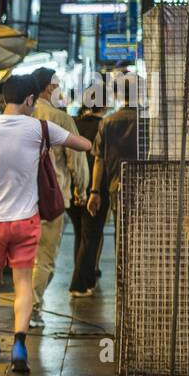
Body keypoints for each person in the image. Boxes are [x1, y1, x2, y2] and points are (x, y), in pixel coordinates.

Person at [0, 73, 91, 372]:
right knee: (23, 283)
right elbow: (84, 145)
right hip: (26, 220)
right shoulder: (41, 128)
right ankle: (20, 342)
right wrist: (46, 146)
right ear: (30, 100)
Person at [29, 67, 88, 327]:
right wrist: (82, 189)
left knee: (23, 258)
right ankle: (30, 308)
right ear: (49, 88)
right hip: (52, 198)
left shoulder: (23, 117)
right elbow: (78, 159)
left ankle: (25, 304)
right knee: (44, 258)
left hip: (21, 199)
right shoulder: (60, 119)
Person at [85, 90, 140, 284]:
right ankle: (139, 275)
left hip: (117, 187)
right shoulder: (147, 121)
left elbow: (99, 159)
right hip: (145, 187)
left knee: (121, 232)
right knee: (143, 233)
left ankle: (123, 277)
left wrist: (94, 191)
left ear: (118, 96)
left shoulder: (107, 122)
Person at [68, 99, 107, 297]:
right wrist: (95, 191)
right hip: (94, 189)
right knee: (90, 236)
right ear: (104, 105)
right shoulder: (104, 125)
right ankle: (79, 284)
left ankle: (86, 277)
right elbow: (101, 159)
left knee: (80, 234)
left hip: (73, 187)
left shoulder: (73, 123)